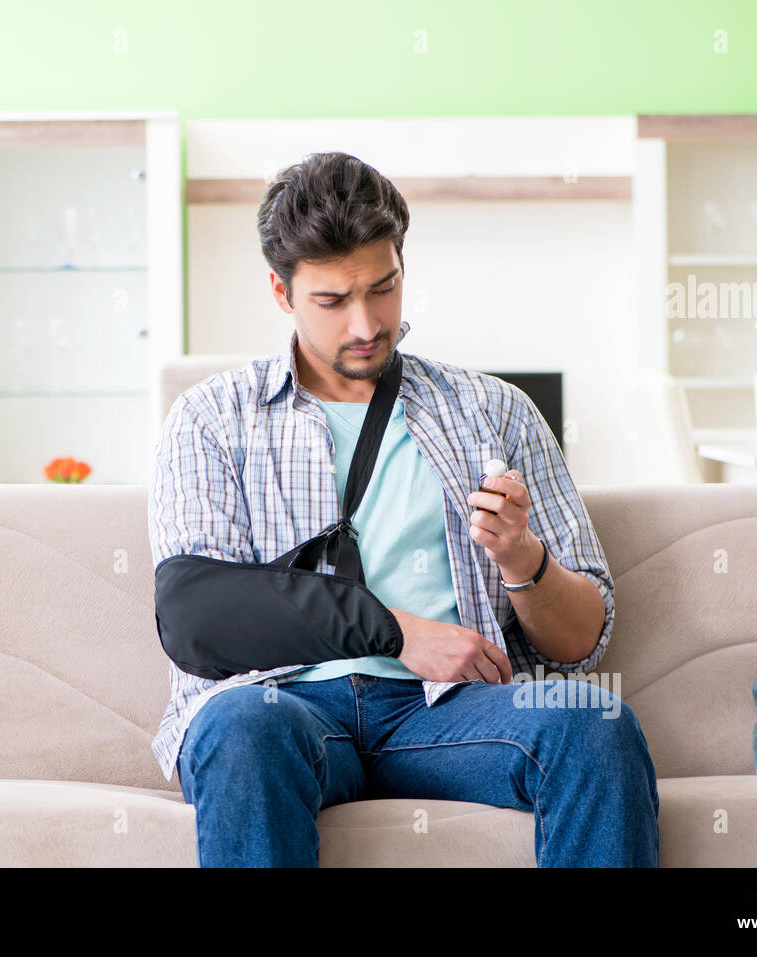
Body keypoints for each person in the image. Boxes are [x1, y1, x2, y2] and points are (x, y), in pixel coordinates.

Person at [147, 151, 659, 867]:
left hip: (449, 714)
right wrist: (394, 633)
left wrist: (523, 559)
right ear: (280, 291)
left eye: (382, 288)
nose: (365, 324)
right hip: (282, 707)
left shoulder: (492, 410)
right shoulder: (212, 418)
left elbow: (582, 641)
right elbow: (196, 612)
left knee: (594, 721)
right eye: (332, 300)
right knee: (239, 727)